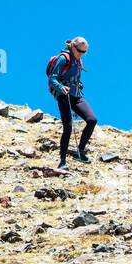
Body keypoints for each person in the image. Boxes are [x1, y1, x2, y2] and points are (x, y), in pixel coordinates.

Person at [47, 36, 97, 170]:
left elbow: (76, 79)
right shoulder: (63, 58)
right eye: (80, 51)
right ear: (73, 47)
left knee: (92, 120)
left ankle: (80, 151)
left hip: (76, 95)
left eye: (84, 52)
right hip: (64, 95)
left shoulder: (78, 61)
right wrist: (60, 88)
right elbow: (52, 78)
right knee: (68, 127)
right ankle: (62, 161)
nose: (82, 54)